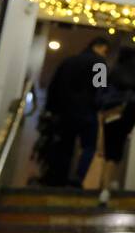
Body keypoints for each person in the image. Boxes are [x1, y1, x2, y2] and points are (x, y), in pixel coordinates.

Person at [40, 36, 110, 187]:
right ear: (100, 47)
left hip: (66, 112)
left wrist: (51, 109)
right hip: (88, 112)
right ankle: (78, 178)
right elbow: (100, 88)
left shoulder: (69, 61)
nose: (105, 54)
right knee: (89, 147)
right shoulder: (100, 63)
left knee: (65, 145)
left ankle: (59, 178)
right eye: (105, 50)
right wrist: (98, 106)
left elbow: (54, 86)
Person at [96, 48, 135, 204]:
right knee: (118, 148)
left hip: (112, 112)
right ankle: (110, 182)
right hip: (130, 111)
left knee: (109, 151)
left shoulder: (107, 69)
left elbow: (100, 90)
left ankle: (104, 188)